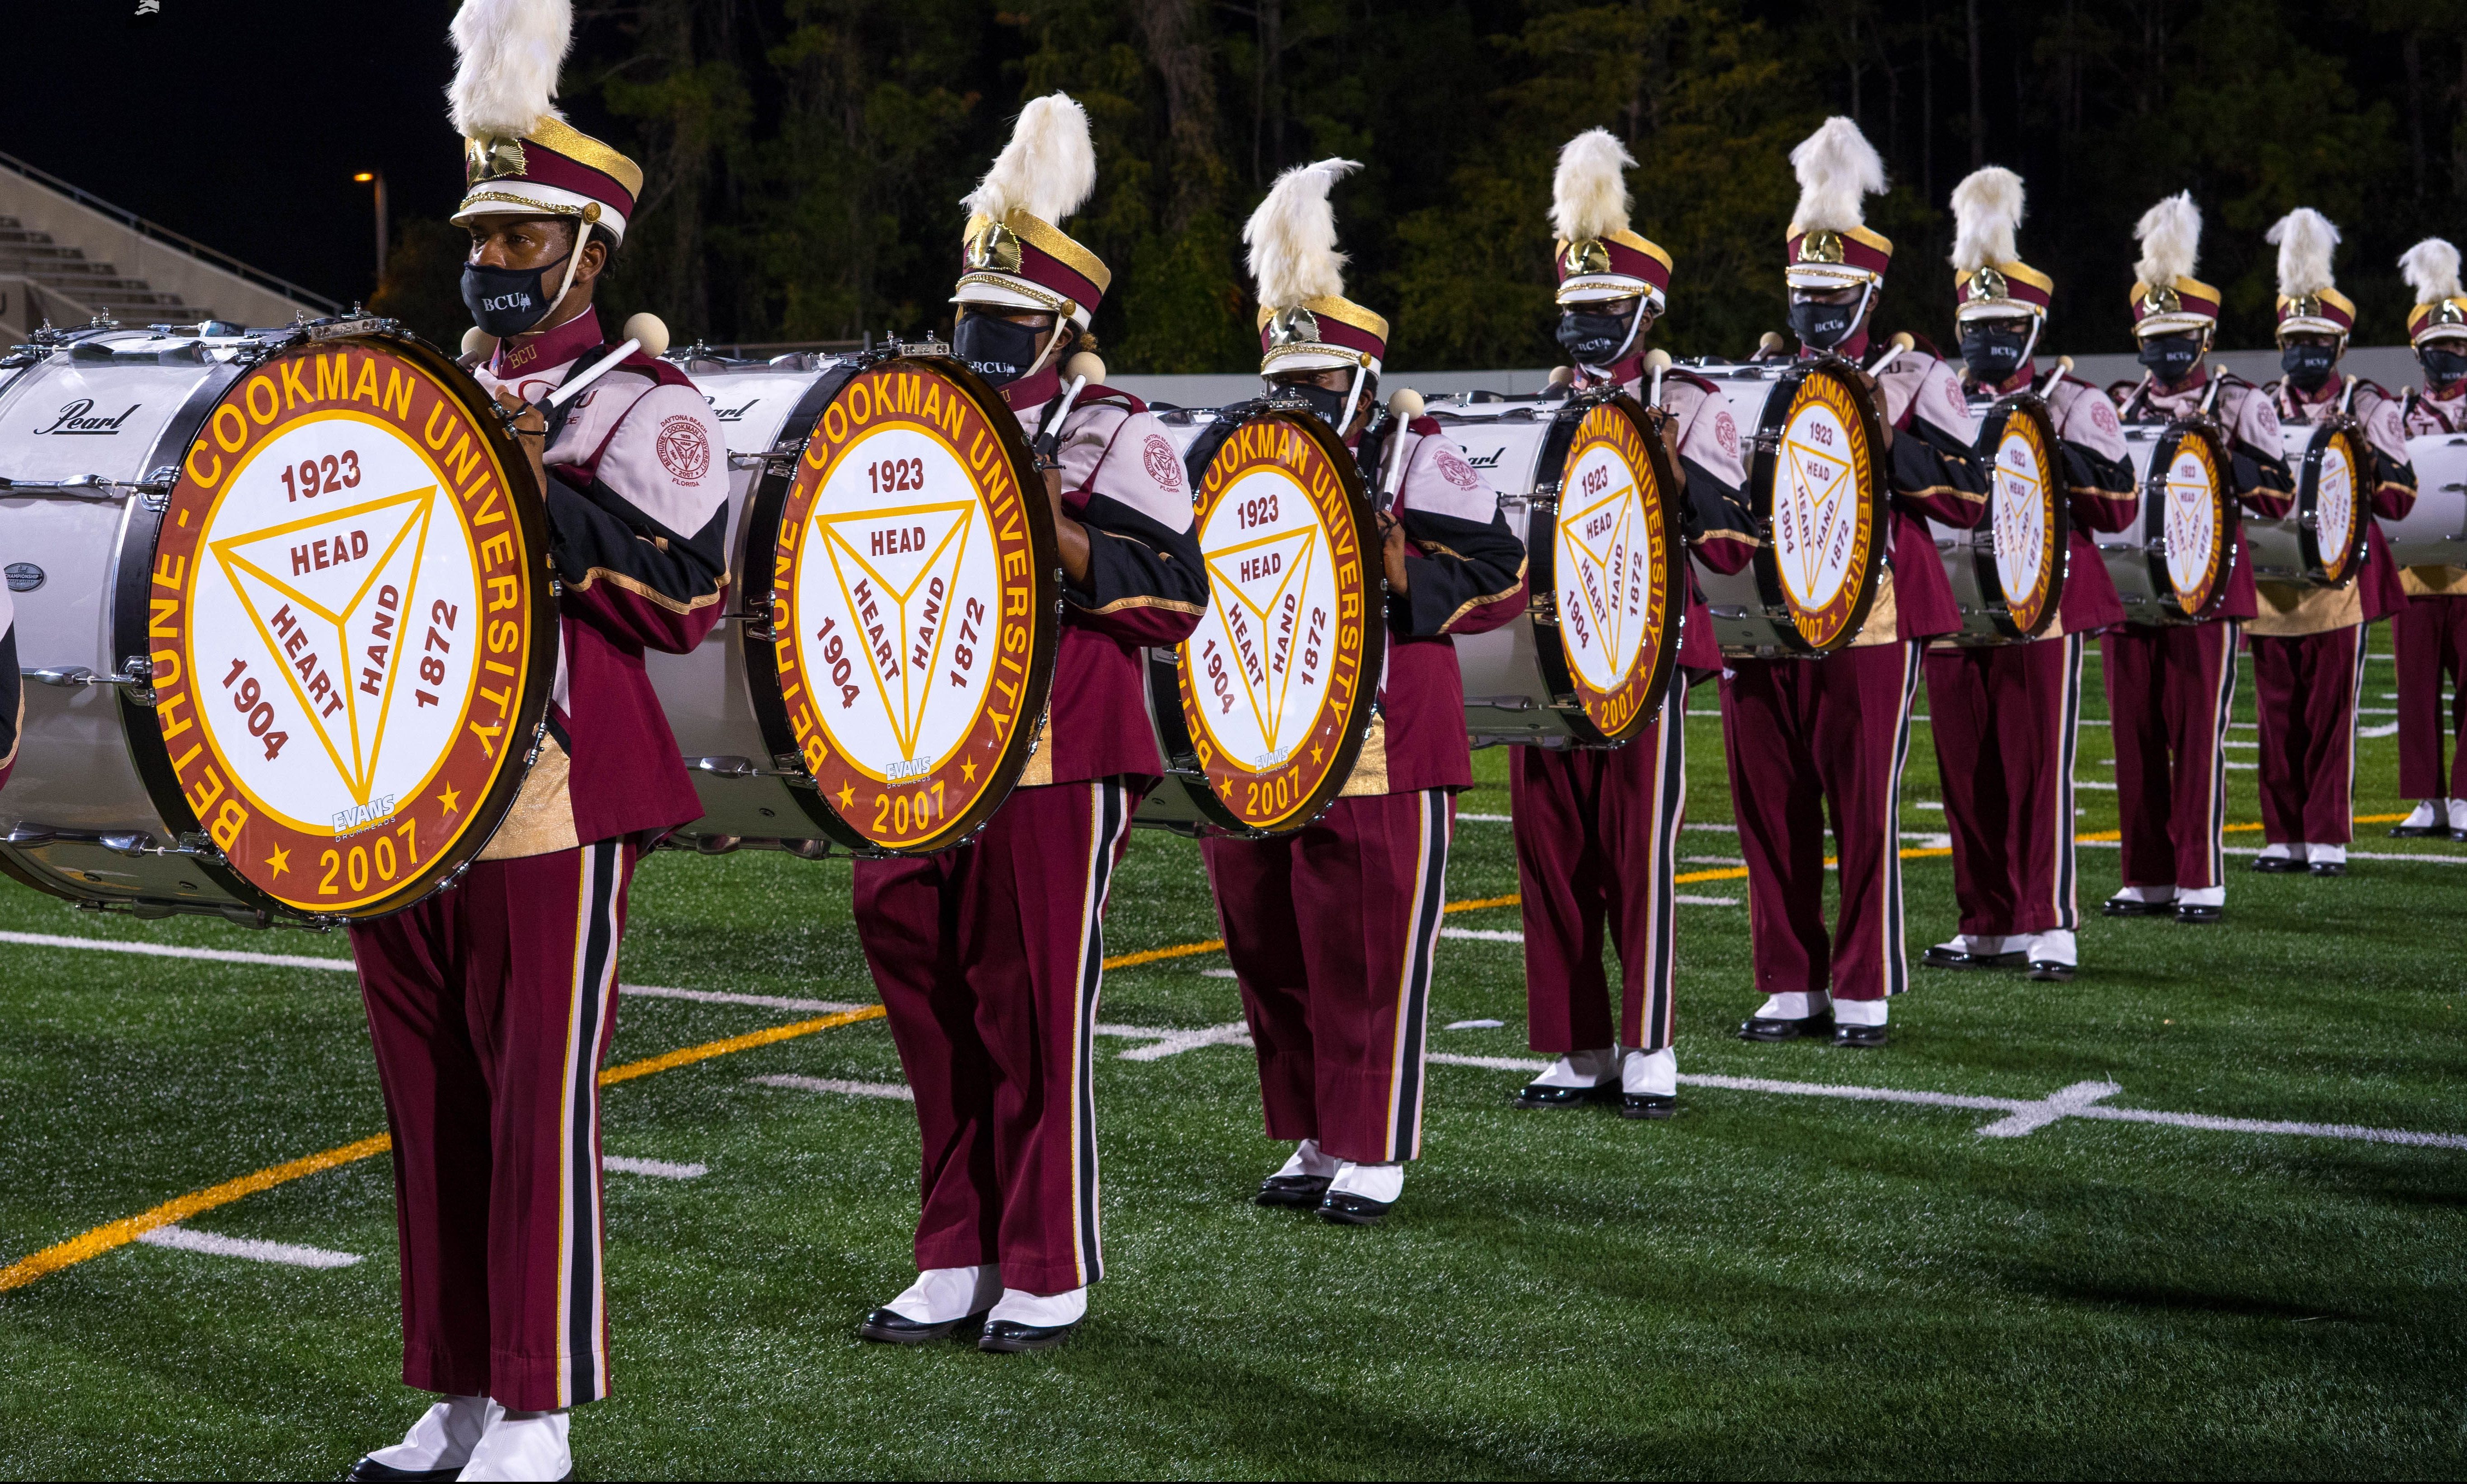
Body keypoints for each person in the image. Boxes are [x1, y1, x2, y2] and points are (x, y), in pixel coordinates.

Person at [347, 2, 730, 1479]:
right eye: (482, 237)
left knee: (533, 1100)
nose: (490, 260)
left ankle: (539, 1403)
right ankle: (451, 1391)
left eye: (519, 239)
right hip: (401, 787)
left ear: (588, 250)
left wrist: (518, 493)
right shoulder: (438, 389)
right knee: (428, 1096)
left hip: (552, 791)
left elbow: (678, 588)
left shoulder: (651, 403)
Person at [850, 94, 1208, 1353]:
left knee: (1031, 995)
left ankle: (1045, 1256)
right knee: (915, 965)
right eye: (970, 317)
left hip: (1061, 745)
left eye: (1008, 321)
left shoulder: (1118, 429)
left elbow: (1175, 592)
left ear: (1064, 324)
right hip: (922, 738)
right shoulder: (920, 418)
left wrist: (1042, 520)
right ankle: (957, 1243)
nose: (982, 338)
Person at [1205, 159, 1526, 1224]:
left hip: (1384, 735)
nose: (1294, 400)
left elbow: (1505, 573)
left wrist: (1401, 574)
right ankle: (1311, 1129)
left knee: (1370, 945)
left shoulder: (1415, 454)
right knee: (1267, 939)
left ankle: (1374, 1141)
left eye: (1314, 384)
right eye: (1282, 381)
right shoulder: (1239, 454)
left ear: (1360, 380)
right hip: (1260, 730)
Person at [1721, 117, 1989, 1049]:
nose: (1815, 308)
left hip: (1872, 609)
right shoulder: (1760, 379)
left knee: (1861, 801)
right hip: (1766, 613)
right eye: (1803, 291)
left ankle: (1864, 981)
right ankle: (1790, 980)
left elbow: (1967, 495)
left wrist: (1887, 441)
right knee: (1769, 799)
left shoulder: (1914, 375)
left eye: (1833, 292)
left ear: (1869, 291)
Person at [1508, 129, 1755, 1118]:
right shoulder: (1542, 406)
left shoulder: (1690, 402)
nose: (1585, 329)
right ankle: (1578, 1044)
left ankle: (1650, 1041)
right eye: (1574, 310)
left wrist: (1673, 467)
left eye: (1605, 310)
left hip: (1645, 658)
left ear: (1645, 309)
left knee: (1637, 849)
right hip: (1548, 655)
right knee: (1550, 850)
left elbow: (1735, 546)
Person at [1919, 167, 2137, 983]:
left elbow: (2117, 507)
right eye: (1975, 323)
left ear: (2035, 323)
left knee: (2037, 764)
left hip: (2039, 602)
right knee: (1966, 769)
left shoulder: (2076, 400)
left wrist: (2052, 445)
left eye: (2006, 323)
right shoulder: (1937, 398)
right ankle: (1987, 920)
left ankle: (2050, 920)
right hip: (1952, 599)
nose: (1988, 339)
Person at [2103, 193, 2296, 923]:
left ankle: (2200, 875)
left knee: (2195, 733)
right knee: (2135, 736)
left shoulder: (2241, 401)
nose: (2165, 346)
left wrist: (2224, 462)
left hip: (2209, 585)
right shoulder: (2120, 406)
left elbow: (2279, 494)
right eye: (2153, 333)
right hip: (2131, 587)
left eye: (2179, 332)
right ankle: (2145, 874)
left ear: (2206, 333)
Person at [2247, 209, 2416, 875]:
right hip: (2271, 580)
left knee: (2328, 714)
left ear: (2340, 348)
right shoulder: (2259, 404)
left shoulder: (2369, 403)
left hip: (2339, 584)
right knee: (2275, 715)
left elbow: (2401, 497)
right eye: (2294, 339)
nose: (2304, 352)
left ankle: (2325, 835)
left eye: (2318, 341)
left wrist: (2365, 465)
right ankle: (2280, 832)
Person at [2390, 238, 2467, 841]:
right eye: (2438, 348)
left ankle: (2465, 795)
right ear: (2419, 352)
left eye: (2458, 346)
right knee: (2416, 689)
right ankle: (2426, 798)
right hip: (2414, 572)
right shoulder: (2400, 410)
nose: (2449, 357)